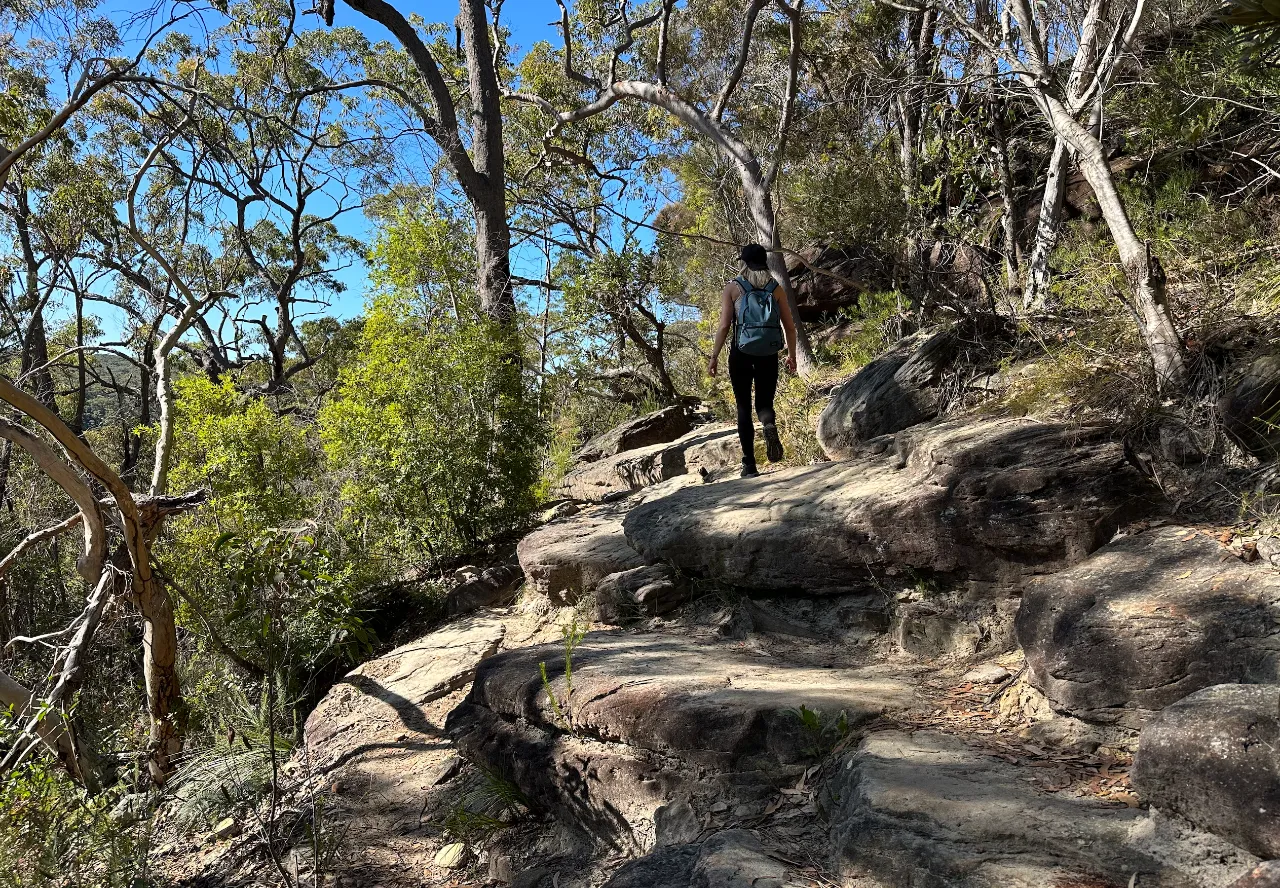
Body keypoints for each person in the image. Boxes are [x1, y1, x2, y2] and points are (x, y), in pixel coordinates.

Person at [707, 243, 797, 477]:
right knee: (764, 403)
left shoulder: (733, 288)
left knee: (743, 407)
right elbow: (789, 326)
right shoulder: (775, 288)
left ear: (744, 262)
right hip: (768, 353)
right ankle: (768, 424)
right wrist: (792, 355)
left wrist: (714, 356)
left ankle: (749, 465)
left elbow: (725, 325)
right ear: (764, 262)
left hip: (741, 353)